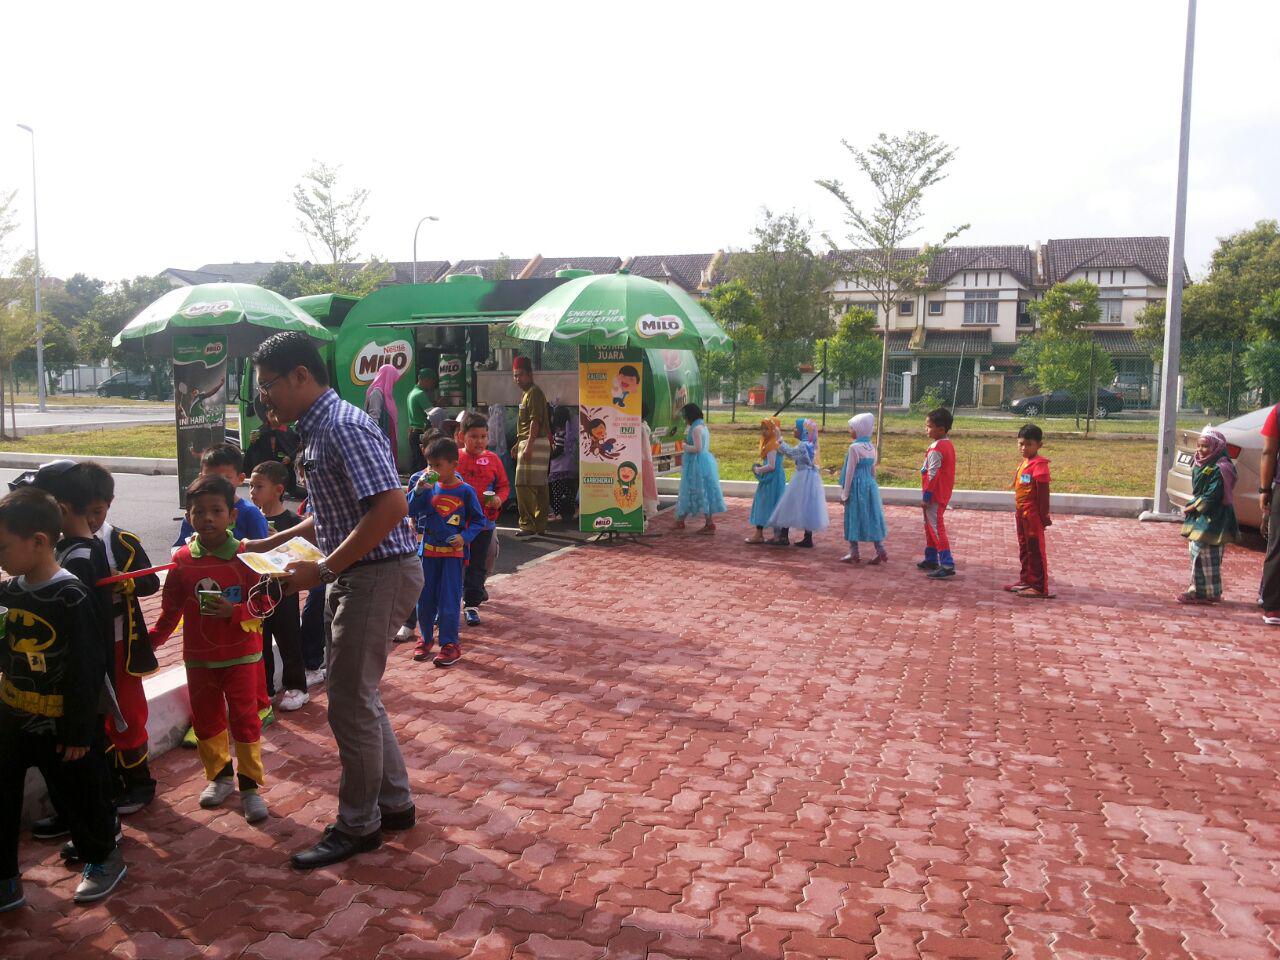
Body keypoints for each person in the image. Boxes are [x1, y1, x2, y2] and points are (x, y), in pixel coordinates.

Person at [247, 331, 421, 870]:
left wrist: (322, 569)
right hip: (359, 576)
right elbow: (337, 510)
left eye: (269, 386)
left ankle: (358, 825)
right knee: (358, 697)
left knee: (349, 702)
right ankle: (393, 804)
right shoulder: (319, 429)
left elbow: (389, 507)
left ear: (301, 375)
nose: (265, 398)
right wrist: (271, 543)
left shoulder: (343, 426)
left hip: (376, 575)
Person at [0, 487, 126, 911]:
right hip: (13, 715)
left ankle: (103, 857)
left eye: (2, 547)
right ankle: (5, 878)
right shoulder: (11, 591)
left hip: (64, 723)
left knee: (79, 794)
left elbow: (88, 669)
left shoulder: (71, 596)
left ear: (38, 542)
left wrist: (78, 729)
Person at [150, 475, 271, 823]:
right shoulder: (183, 562)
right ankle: (219, 778)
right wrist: (150, 645)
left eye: (216, 511)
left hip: (242, 656)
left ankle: (250, 786)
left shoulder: (247, 557)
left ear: (231, 515)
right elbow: (170, 611)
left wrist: (234, 613)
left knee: (245, 720)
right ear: (188, 517)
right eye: (199, 511)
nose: (207, 518)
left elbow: (265, 602)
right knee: (206, 720)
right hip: (199, 659)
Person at [83, 464, 162, 815]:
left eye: (97, 513)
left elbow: (151, 583)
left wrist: (127, 581)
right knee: (97, 714)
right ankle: (111, 781)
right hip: (86, 645)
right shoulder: (64, 543)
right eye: (81, 514)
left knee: (127, 712)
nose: (89, 521)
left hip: (120, 642)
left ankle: (140, 783)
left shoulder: (121, 541)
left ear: (110, 503)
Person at [407, 438, 484, 666]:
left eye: (438, 465)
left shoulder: (465, 491)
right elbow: (409, 509)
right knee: (425, 599)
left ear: (454, 464)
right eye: (430, 465)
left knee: (449, 601)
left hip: (452, 556)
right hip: (428, 554)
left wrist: (464, 537)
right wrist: (418, 490)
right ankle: (426, 638)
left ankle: (450, 644)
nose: (432, 470)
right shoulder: (428, 488)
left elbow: (479, 520)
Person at [249, 462, 308, 711]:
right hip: (256, 594)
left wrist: (276, 543)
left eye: (259, 486)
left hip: (284, 590)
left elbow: (303, 556)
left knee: (289, 640)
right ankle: (266, 690)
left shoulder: (294, 522)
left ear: (278, 489)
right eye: (250, 486)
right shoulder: (249, 521)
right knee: (260, 644)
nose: (252, 491)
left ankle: (297, 687)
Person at [1178, 426, 1240, 605]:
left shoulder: (1222, 468)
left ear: (1216, 447)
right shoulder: (1202, 464)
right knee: (1197, 551)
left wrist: (1194, 506)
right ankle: (1203, 591)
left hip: (1215, 517)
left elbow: (1214, 494)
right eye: (1198, 446)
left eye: (1205, 446)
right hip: (1201, 516)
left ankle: (1205, 592)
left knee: (1206, 553)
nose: (1200, 450)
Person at [457, 411, 508, 625]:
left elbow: (504, 486)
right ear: (461, 436)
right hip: (456, 524)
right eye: (474, 436)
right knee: (454, 565)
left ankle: (471, 605)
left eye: (483, 436)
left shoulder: (493, 459)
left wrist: (498, 498)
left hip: (484, 524)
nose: (479, 441)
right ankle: (448, 604)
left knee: (478, 564)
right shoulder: (454, 457)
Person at [173, 445, 270, 551]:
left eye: (226, 478)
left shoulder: (251, 514)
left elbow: (263, 554)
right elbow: (177, 550)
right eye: (210, 477)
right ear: (201, 478)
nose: (218, 484)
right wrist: (188, 548)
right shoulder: (195, 513)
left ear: (240, 478)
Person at [1007, 424, 1052, 598]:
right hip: (1021, 512)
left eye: (1028, 444)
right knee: (1024, 547)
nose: (1024, 448)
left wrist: (1044, 515)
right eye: (1021, 444)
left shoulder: (1039, 466)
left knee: (1035, 549)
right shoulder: (1025, 463)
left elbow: (1043, 494)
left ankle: (1039, 586)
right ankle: (1026, 580)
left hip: (1032, 514)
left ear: (1039, 445)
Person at [768, 418, 828, 548]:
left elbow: (791, 453)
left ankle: (784, 535)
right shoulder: (812, 444)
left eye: (796, 427)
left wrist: (779, 439)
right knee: (808, 505)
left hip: (802, 478)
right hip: (812, 478)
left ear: (804, 431)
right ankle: (808, 537)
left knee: (789, 503)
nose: (794, 429)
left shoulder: (803, 445)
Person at [839, 413, 888, 564]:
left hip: (856, 486)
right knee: (872, 515)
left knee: (853, 515)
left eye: (852, 428)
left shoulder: (854, 448)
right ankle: (880, 549)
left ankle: (854, 551)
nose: (850, 430)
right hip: (869, 485)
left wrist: (845, 494)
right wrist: (872, 486)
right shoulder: (871, 446)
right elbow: (873, 470)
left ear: (860, 429)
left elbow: (849, 472)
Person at [673, 403, 726, 533]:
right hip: (704, 463)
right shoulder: (702, 426)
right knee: (703, 491)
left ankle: (687, 520)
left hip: (696, 464)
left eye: (686, 417)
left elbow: (697, 448)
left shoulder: (696, 429)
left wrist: (684, 446)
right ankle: (691, 520)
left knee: (692, 490)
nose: (685, 420)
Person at [512, 357, 550, 537]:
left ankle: (528, 524)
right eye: (515, 376)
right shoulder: (527, 393)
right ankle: (539, 525)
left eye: (520, 375)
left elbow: (536, 421)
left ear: (529, 375)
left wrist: (528, 446)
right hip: (530, 442)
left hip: (534, 442)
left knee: (523, 484)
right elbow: (527, 423)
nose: (517, 379)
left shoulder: (534, 392)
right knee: (538, 484)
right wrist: (517, 444)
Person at [918, 407, 957, 579]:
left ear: (941, 429)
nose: (926, 429)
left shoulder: (937, 449)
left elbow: (933, 474)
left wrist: (927, 497)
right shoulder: (946, 445)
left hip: (935, 494)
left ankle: (947, 563)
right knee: (930, 526)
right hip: (941, 492)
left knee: (936, 527)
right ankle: (931, 557)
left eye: (929, 426)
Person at [243, 405, 303, 499]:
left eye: (276, 415)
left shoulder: (288, 431)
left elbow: (295, 447)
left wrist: (290, 457)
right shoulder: (260, 431)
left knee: (279, 491)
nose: (275, 418)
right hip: (265, 468)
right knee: (263, 489)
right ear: (267, 415)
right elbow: (253, 451)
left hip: (283, 467)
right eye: (272, 415)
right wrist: (253, 442)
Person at [746, 417, 787, 544]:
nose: (764, 431)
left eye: (767, 428)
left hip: (771, 480)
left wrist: (758, 470)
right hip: (776, 478)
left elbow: (771, 465)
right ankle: (776, 535)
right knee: (775, 503)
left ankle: (760, 534)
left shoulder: (772, 444)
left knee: (763, 503)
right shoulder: (776, 442)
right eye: (762, 428)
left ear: (774, 430)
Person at [364, 362, 406, 472]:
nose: (393, 383)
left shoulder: (385, 394)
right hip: (382, 435)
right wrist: (377, 441)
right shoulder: (377, 393)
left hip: (387, 434)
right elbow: (373, 418)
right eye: (393, 379)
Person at [1259, 404, 1280, 625]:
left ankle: (1273, 607)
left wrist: (1264, 489)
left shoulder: (1278, 411)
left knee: (1277, 546)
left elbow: (1269, 451)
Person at [548, 406, 578, 523]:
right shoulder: (567, 432)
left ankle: (557, 514)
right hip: (566, 467)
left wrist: (549, 457)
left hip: (558, 468)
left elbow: (559, 449)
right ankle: (576, 507)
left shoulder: (559, 434)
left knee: (556, 492)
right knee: (567, 490)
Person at [406, 369, 438, 472]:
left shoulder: (411, 393)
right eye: (432, 381)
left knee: (415, 461)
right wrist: (440, 406)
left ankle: (413, 485)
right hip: (421, 433)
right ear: (426, 380)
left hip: (413, 432)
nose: (433, 385)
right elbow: (432, 413)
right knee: (422, 463)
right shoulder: (420, 394)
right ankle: (423, 486)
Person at [639, 403, 659, 522]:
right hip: (645, 459)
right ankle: (643, 518)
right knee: (645, 489)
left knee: (642, 490)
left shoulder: (640, 427)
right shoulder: (645, 425)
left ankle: (642, 518)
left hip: (640, 460)